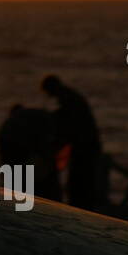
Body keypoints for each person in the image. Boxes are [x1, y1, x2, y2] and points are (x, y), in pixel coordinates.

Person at [41, 75, 102, 210]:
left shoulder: (69, 100)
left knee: (80, 181)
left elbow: (70, 126)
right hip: (85, 145)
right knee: (82, 180)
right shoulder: (70, 98)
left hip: (85, 146)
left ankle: (83, 207)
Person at [0, 103, 62, 201]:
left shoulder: (8, 125)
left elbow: (5, 158)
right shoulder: (38, 116)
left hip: (17, 149)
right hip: (25, 149)